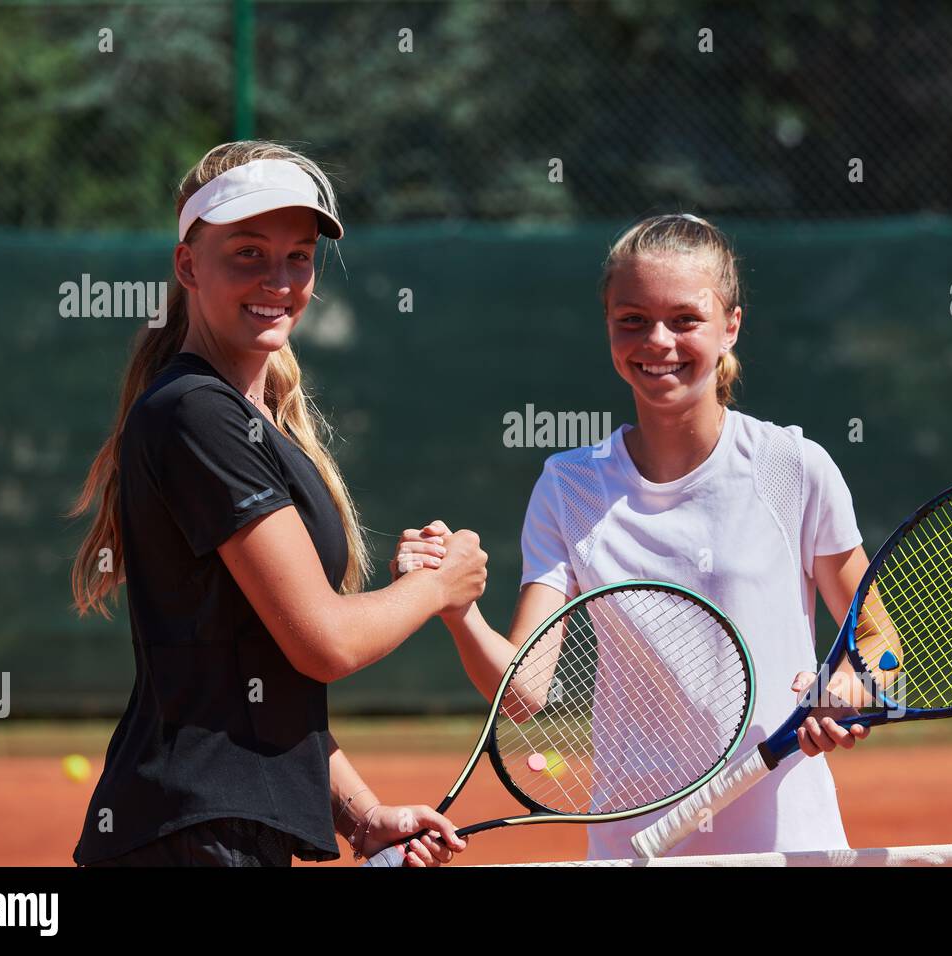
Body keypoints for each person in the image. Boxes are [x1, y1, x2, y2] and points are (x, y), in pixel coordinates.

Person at [394, 213, 871, 860]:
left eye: (684, 319)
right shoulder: (567, 487)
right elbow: (525, 694)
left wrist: (846, 690)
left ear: (731, 325)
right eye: (632, 319)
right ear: (610, 329)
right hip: (635, 848)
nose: (658, 340)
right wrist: (455, 611)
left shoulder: (793, 467)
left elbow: (880, 642)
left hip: (787, 844)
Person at [69, 141, 482, 867]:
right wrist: (435, 587)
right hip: (192, 836)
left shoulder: (237, 418)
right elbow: (323, 642)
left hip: (214, 831)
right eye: (248, 253)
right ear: (188, 265)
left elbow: (252, 682)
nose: (280, 279)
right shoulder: (198, 412)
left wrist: (362, 816)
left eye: (299, 256)